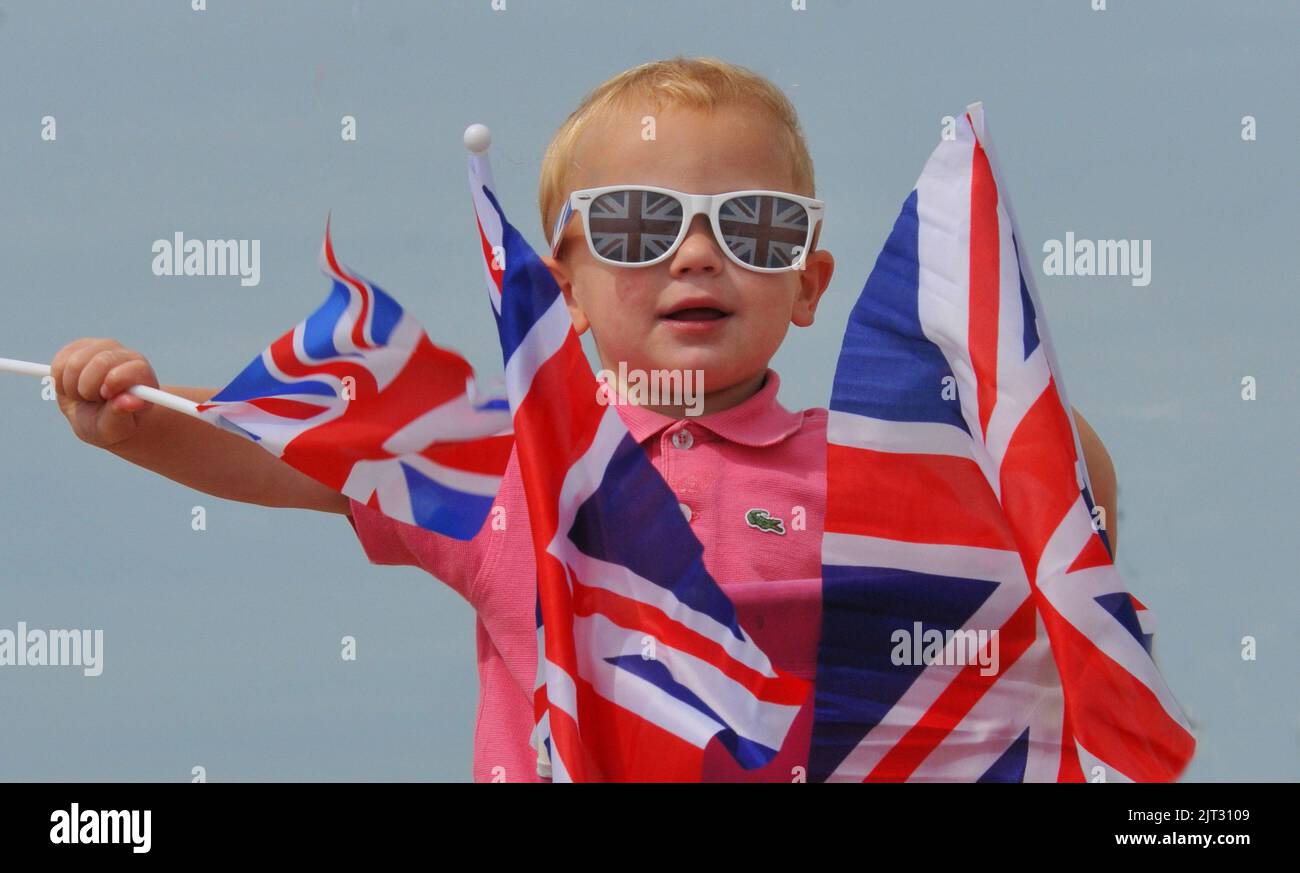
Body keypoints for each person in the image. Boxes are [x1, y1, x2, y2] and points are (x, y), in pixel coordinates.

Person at [50, 56, 1118, 782]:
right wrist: (132, 413)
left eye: (752, 225)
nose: (695, 254)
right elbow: (291, 449)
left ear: (808, 283)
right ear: (561, 286)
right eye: (638, 223)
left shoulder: (867, 469)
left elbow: (1062, 511)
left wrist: (1012, 411)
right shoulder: (518, 468)